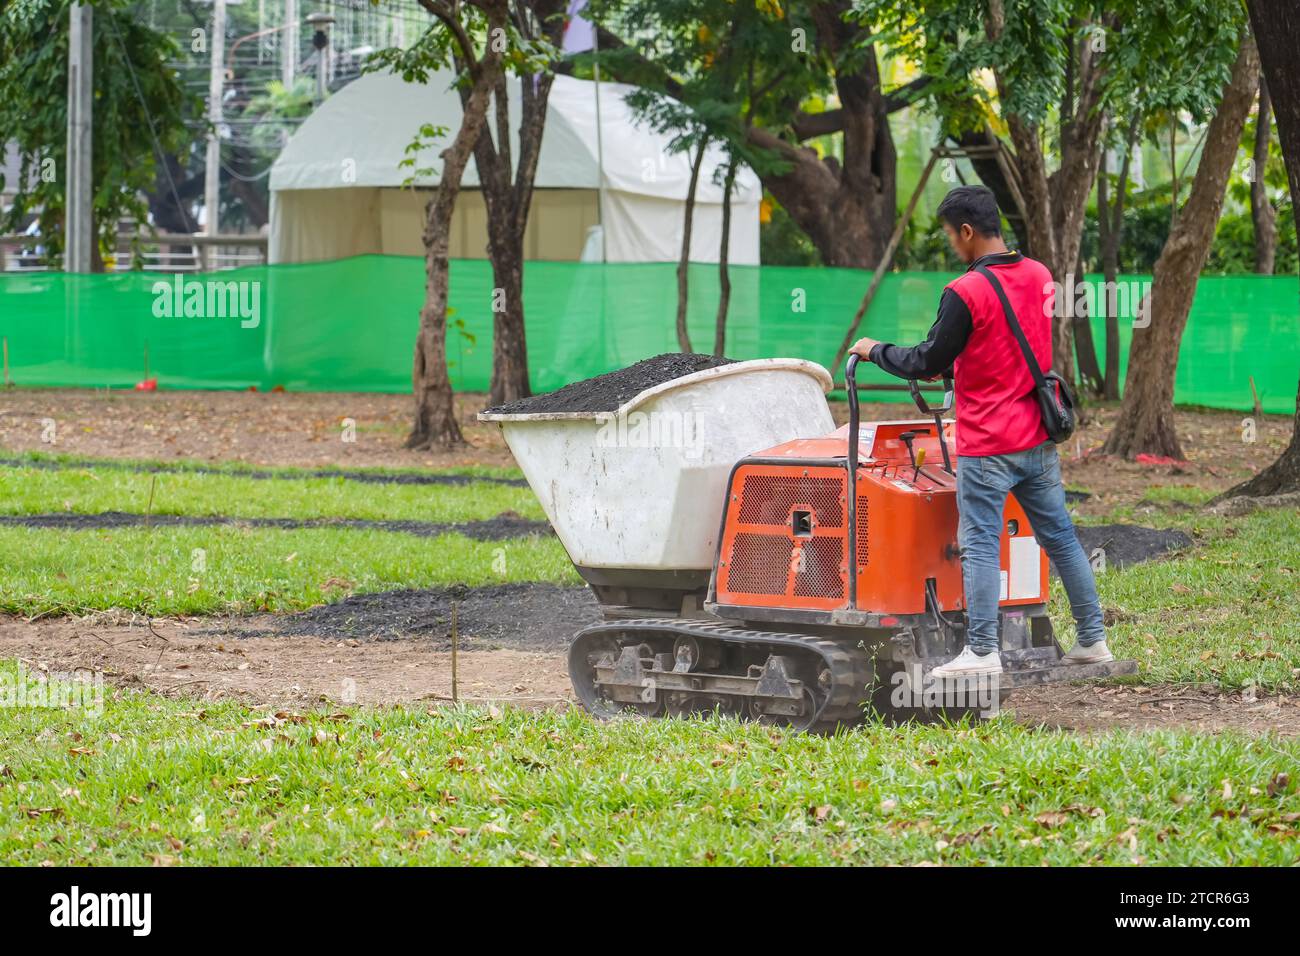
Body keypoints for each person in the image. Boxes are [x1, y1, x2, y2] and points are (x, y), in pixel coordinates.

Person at [850, 185, 1110, 679]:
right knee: (1060, 537)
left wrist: (873, 349)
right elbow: (1009, 342)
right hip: (1037, 434)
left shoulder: (964, 292)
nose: (953, 245)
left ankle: (983, 651)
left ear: (967, 231)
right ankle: (1093, 639)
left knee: (981, 543)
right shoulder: (1039, 275)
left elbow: (926, 362)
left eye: (951, 235)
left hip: (988, 443)